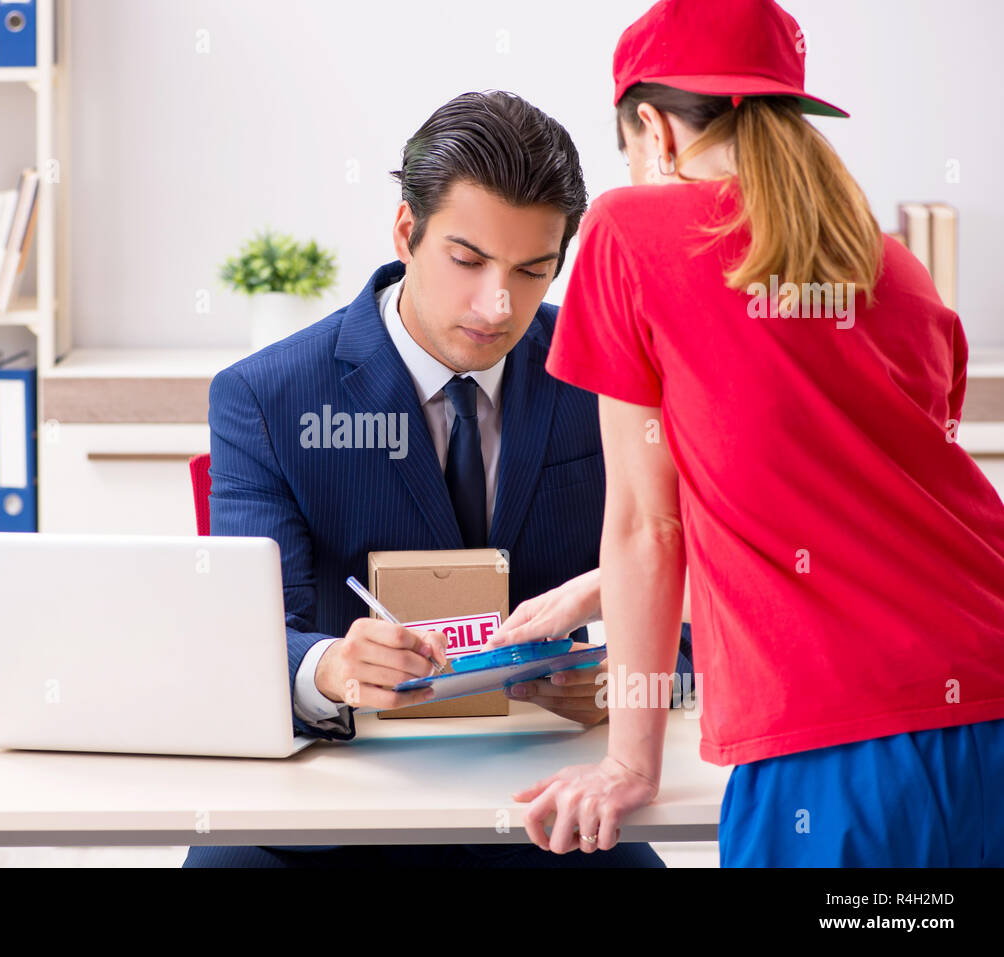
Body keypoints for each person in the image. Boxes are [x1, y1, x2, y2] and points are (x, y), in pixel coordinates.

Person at [498, 0, 1004, 867]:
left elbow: (645, 524)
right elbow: (844, 520)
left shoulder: (628, 231)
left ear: (652, 130)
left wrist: (630, 760)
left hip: (843, 746)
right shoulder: (896, 267)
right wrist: (595, 589)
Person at [186, 90, 692, 868]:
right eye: (467, 260)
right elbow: (249, 646)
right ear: (405, 231)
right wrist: (332, 669)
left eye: (533, 270)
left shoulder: (610, 379)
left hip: (549, 807)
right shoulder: (266, 395)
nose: (497, 303)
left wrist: (623, 677)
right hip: (330, 811)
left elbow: (708, 606)